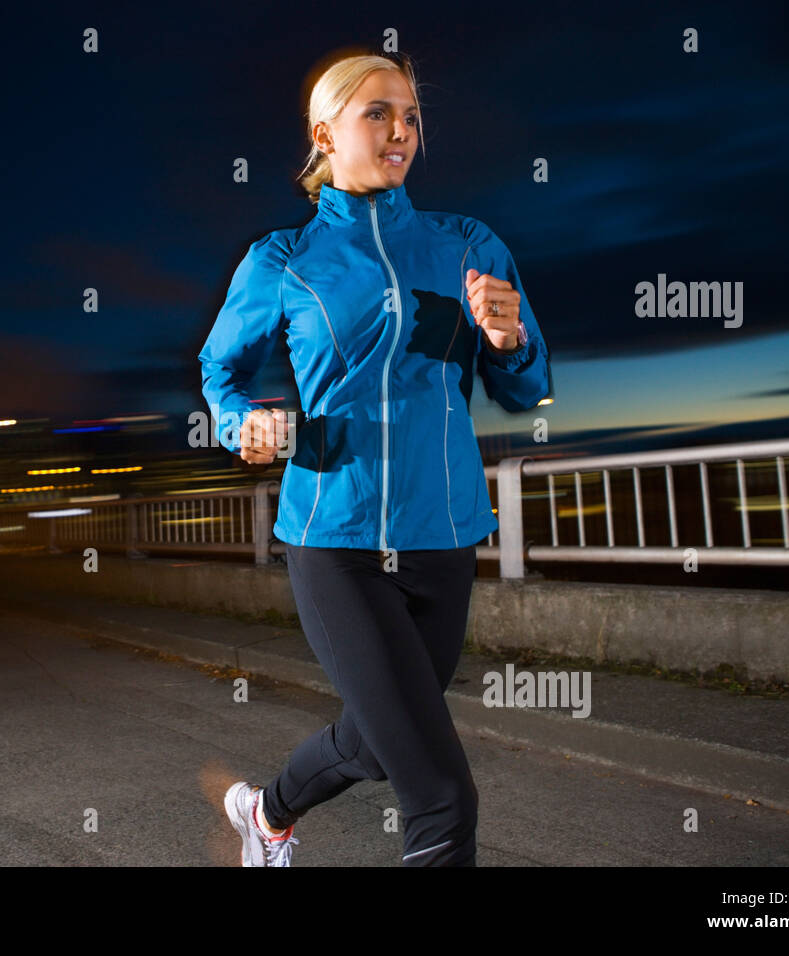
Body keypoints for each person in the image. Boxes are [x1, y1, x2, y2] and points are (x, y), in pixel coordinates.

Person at [199, 52, 551, 866]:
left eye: (412, 117)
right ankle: (278, 816)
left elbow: (528, 386)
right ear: (325, 134)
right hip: (334, 532)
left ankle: (266, 814)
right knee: (440, 795)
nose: (402, 131)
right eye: (379, 114)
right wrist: (240, 421)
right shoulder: (283, 261)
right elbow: (223, 375)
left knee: (379, 735)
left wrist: (511, 339)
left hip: (443, 533)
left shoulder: (466, 245)